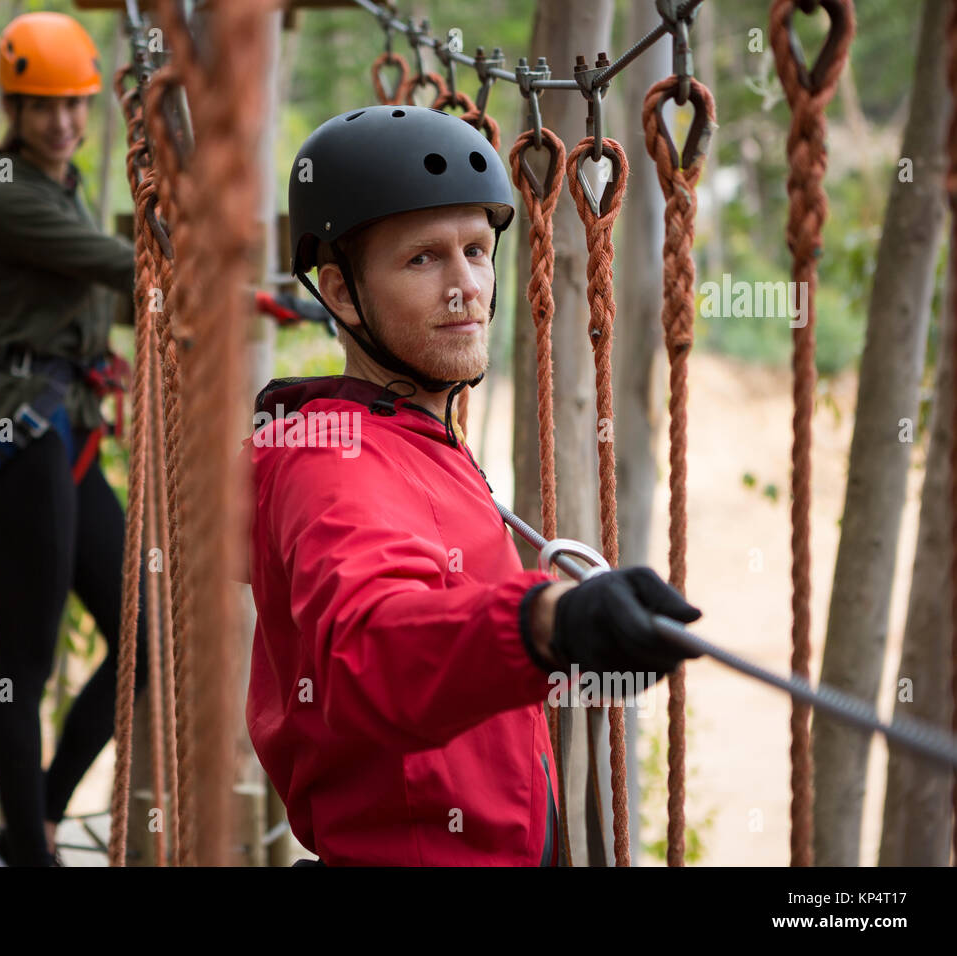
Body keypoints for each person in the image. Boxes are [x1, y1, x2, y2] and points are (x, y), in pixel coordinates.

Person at [241, 105, 704, 866]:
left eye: (477, 252)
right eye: (423, 259)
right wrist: (547, 621)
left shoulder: (413, 435)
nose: (467, 288)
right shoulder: (334, 463)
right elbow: (369, 651)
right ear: (342, 292)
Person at [0, 11, 146, 867]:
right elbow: (116, 266)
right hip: (26, 434)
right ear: (14, 109)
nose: (62, 122)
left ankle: (34, 824)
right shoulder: (8, 196)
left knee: (141, 642)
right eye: (42, 107)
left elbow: (113, 291)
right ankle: (26, 853)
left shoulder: (57, 190)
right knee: (22, 663)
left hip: (66, 429)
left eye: (73, 105)